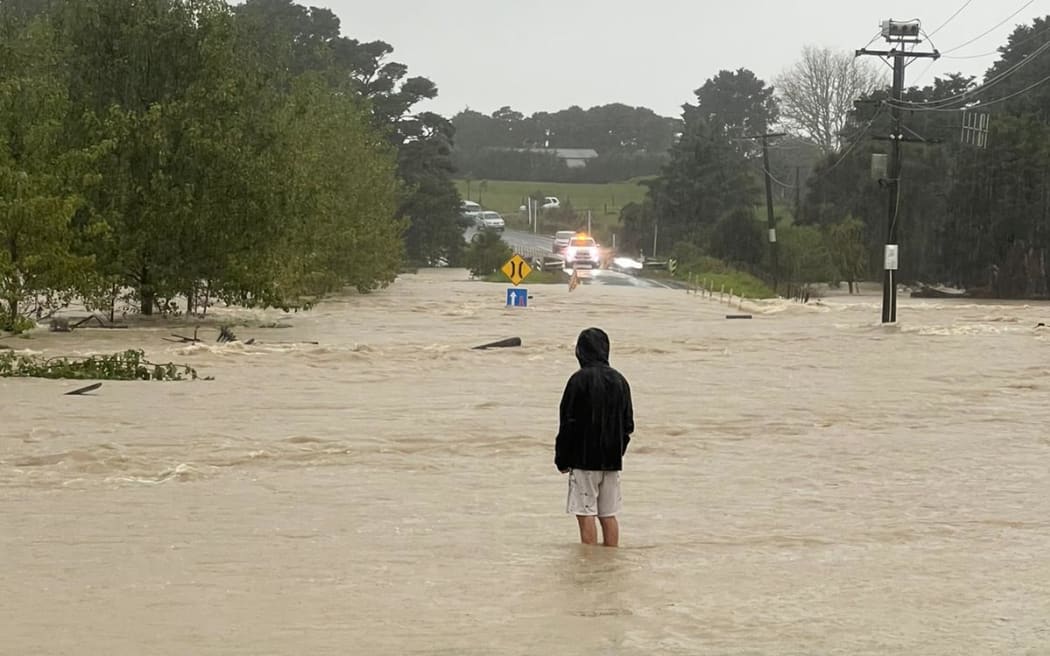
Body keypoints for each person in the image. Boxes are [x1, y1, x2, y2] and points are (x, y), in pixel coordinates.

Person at [555, 327, 634, 547]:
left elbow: (567, 424)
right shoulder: (621, 381)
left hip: (583, 460)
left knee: (585, 513)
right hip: (611, 460)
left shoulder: (577, 381)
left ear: (581, 352)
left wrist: (561, 459)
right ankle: (610, 559)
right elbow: (628, 425)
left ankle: (589, 564)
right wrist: (617, 452)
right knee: (608, 514)